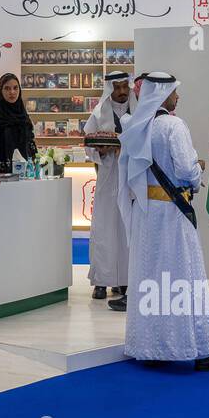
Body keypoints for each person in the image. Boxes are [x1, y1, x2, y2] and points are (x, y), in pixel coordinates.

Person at [117, 72, 209, 371]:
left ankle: (150, 348)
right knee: (185, 279)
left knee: (152, 279)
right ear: (162, 95)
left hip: (148, 214)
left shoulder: (137, 127)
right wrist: (199, 167)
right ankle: (201, 350)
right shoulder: (173, 125)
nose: (178, 97)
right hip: (174, 213)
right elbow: (187, 172)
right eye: (174, 92)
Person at [83, 71, 132, 304]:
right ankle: (101, 281)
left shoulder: (139, 110)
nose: (122, 92)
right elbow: (87, 144)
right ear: (110, 89)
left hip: (131, 178)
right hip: (108, 176)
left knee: (126, 228)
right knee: (103, 227)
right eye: (117, 88)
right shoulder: (99, 112)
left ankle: (123, 279)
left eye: (125, 87)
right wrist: (100, 150)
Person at [0, 73, 36, 171]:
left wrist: (33, 165)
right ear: (0, 90)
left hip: (25, 172)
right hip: (1, 174)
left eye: (15, 88)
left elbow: (30, 143)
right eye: (7, 88)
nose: (12, 92)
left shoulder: (23, 115)